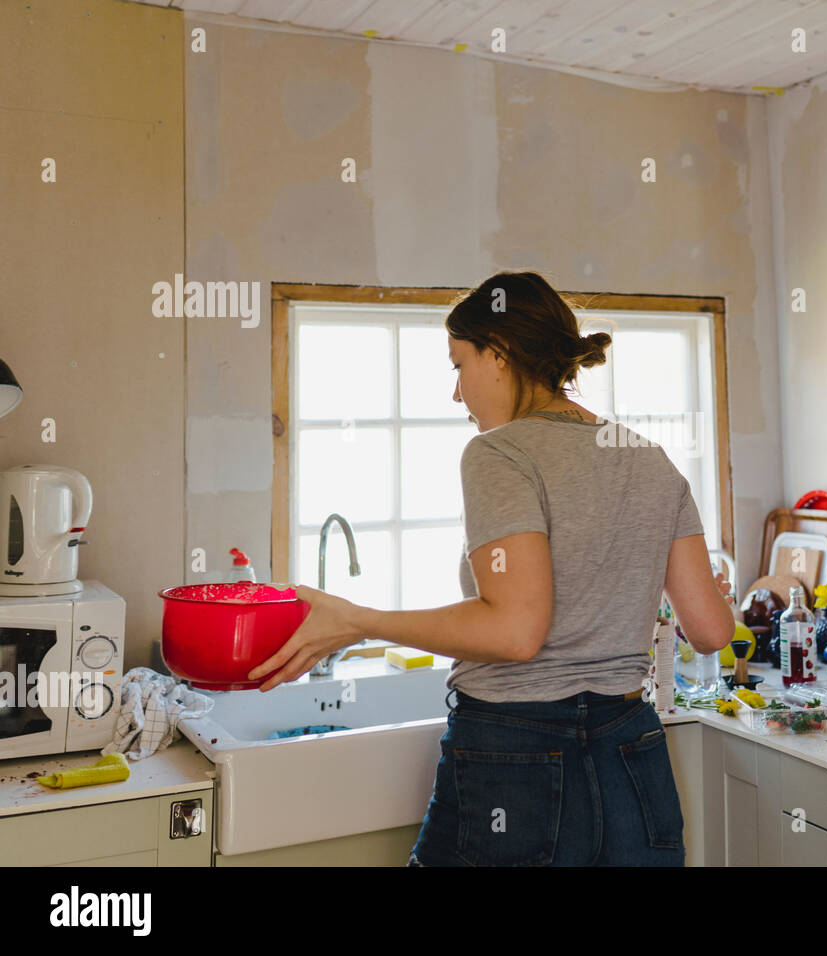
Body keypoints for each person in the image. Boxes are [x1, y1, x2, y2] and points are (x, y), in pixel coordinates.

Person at [249, 270, 736, 866]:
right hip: (633, 753)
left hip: (519, 757)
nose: (457, 393)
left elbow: (515, 632)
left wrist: (359, 620)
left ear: (498, 355)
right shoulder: (651, 458)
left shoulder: (500, 452)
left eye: (458, 365)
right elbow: (713, 631)